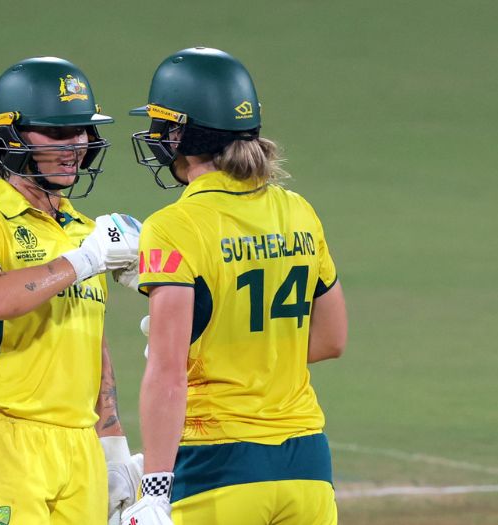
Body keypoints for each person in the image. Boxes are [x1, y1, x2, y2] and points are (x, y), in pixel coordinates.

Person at [120, 47, 348, 525]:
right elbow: (331, 339)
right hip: (307, 468)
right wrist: (251, 352)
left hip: (216, 469)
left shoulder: (175, 226)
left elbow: (167, 373)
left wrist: (155, 490)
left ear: (182, 135)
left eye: (163, 125)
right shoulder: (298, 211)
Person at [0, 56, 143, 525]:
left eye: (83, 131)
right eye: (57, 132)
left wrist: (112, 444)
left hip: (79, 446)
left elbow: (91, 343)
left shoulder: (84, 230)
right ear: (9, 138)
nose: (77, 145)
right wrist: (85, 261)